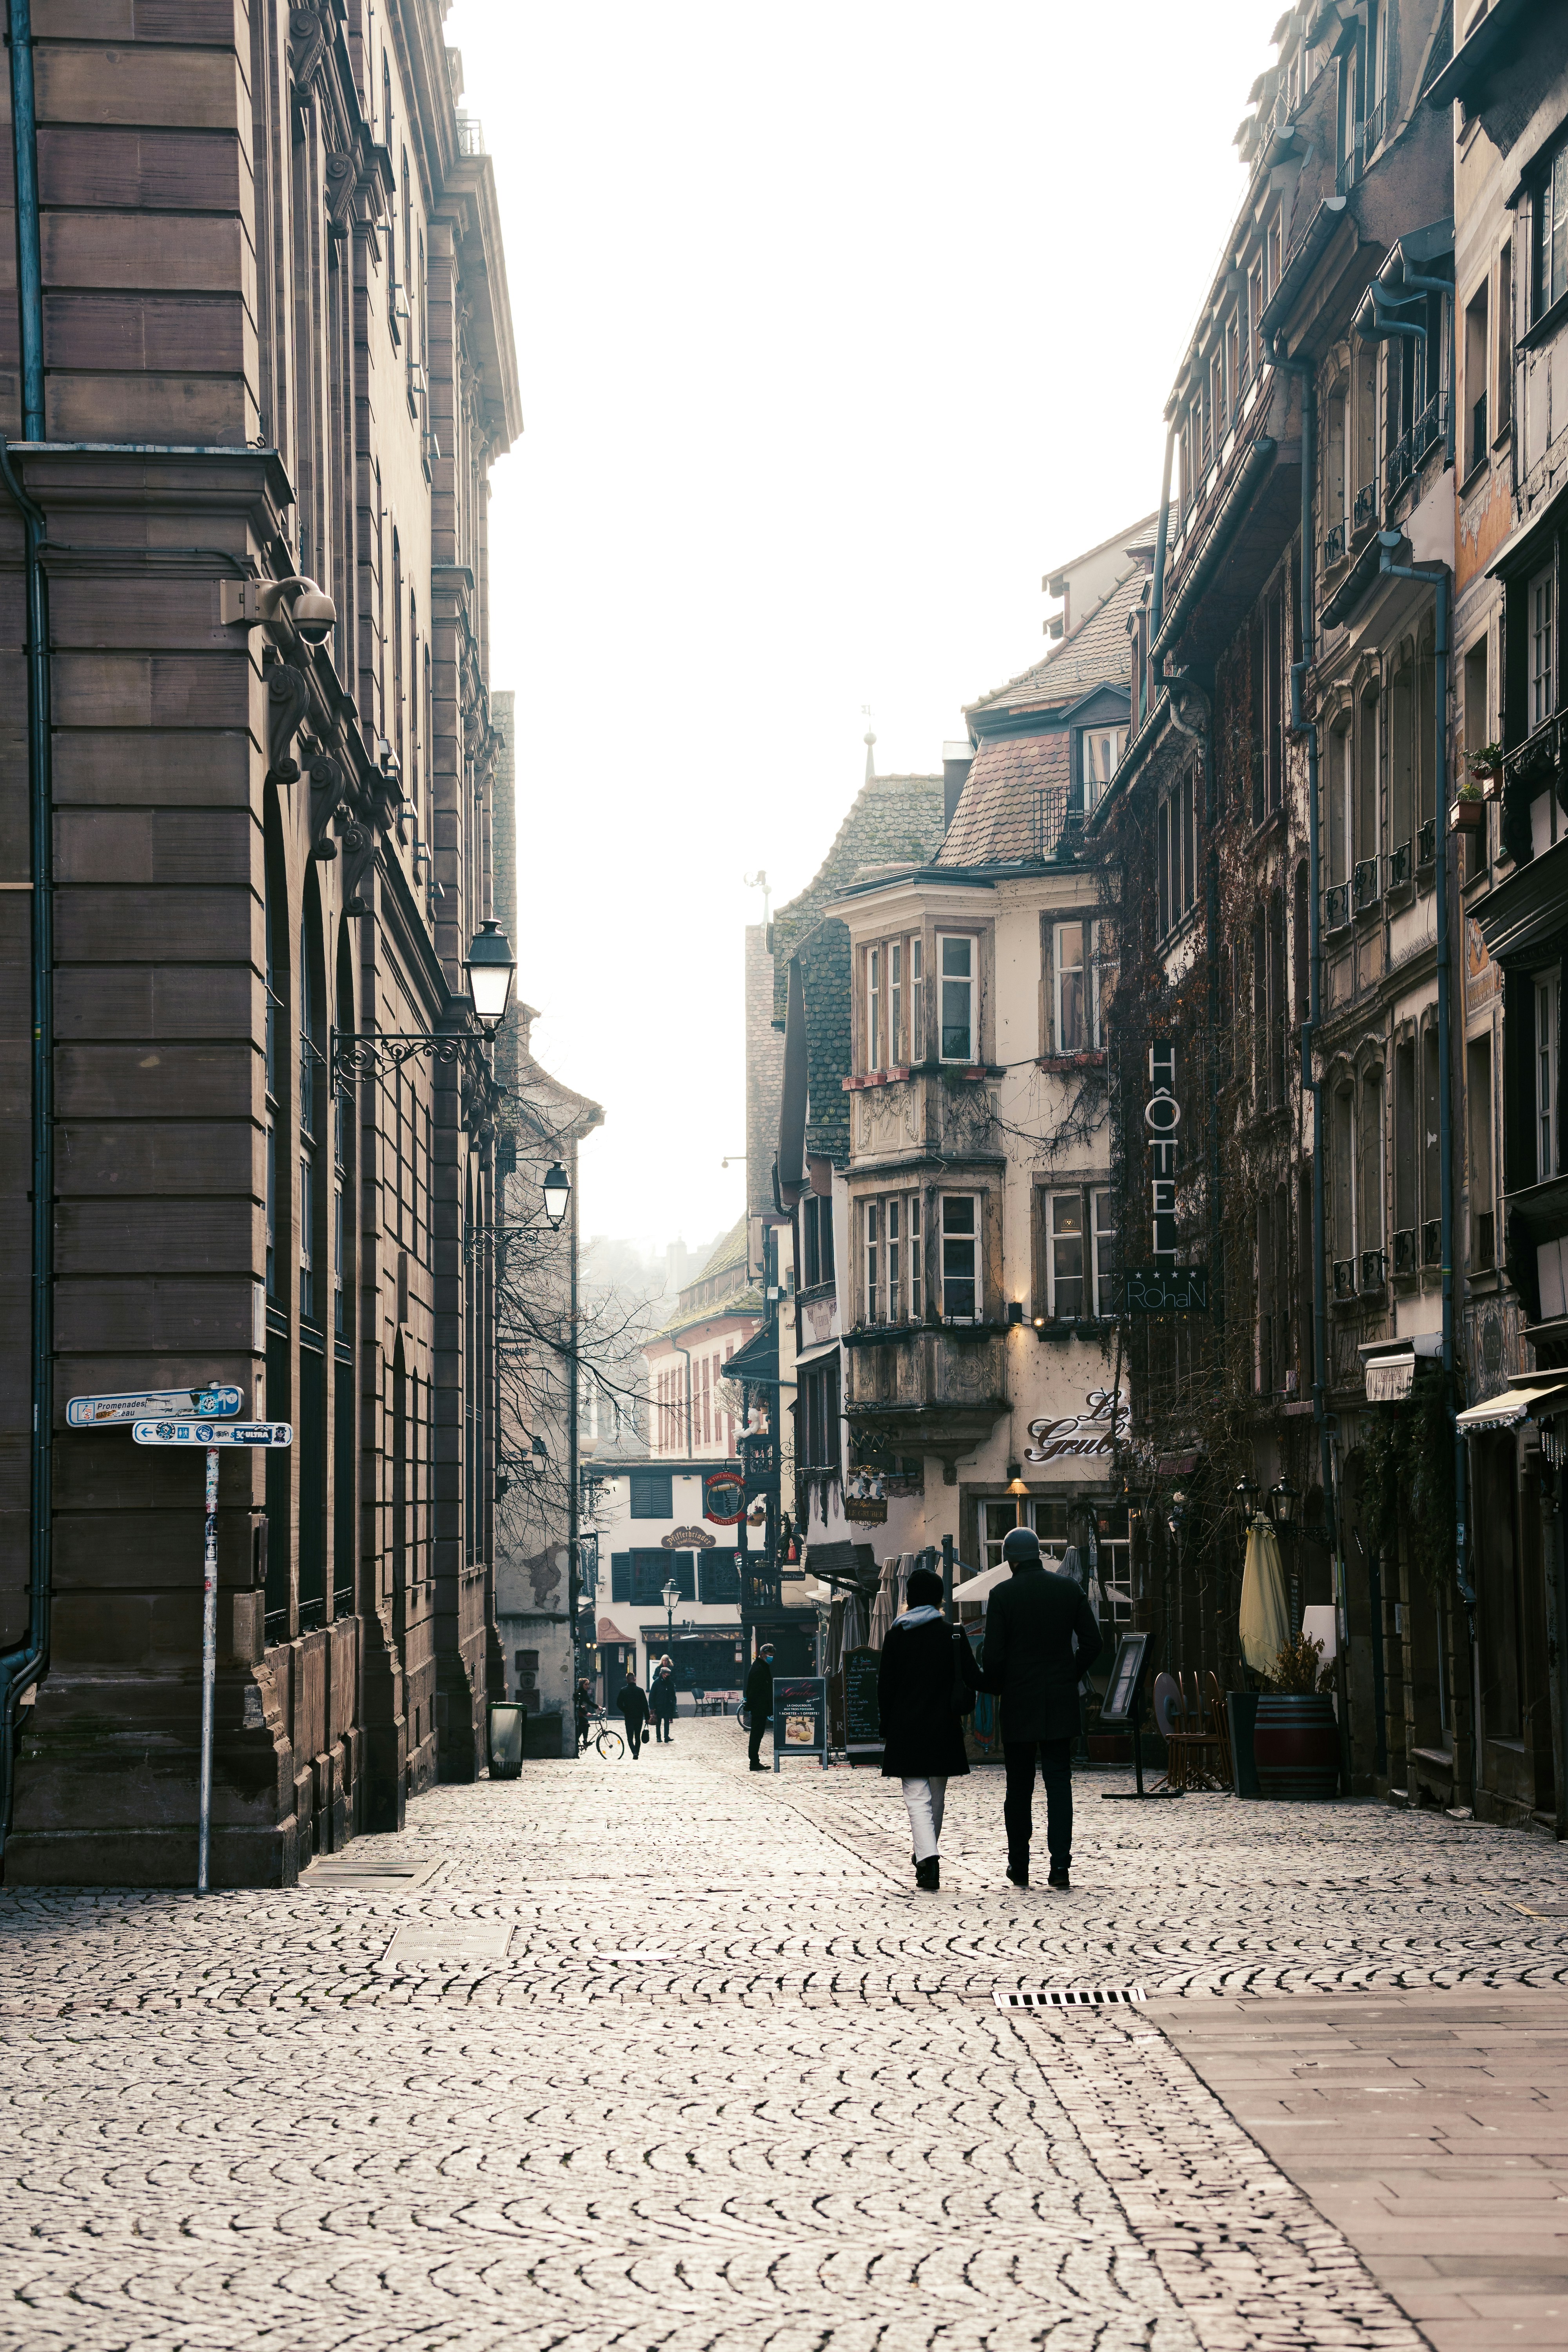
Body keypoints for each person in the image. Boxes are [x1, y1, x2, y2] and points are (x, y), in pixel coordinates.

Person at [981, 1524, 1102, 1891]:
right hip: (1060, 1702)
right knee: (1059, 1785)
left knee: (1019, 1789)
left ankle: (1019, 1866)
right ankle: (1060, 1868)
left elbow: (993, 1658)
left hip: (1019, 1702)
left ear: (1010, 1560)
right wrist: (1069, 1675)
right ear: (1037, 1555)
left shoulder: (1002, 1595)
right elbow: (1093, 1643)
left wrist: (1003, 1683)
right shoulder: (1068, 1589)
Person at [877, 1564, 981, 1891]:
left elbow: (886, 1687)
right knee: (937, 1796)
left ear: (909, 1598)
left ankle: (928, 1860)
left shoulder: (896, 1635)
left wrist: (885, 1724)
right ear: (939, 1600)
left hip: (907, 1728)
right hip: (943, 1727)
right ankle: (927, 1854)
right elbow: (974, 1678)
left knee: (916, 1797)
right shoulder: (953, 1634)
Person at [744, 1642, 774, 1771]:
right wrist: (752, 1706)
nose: (771, 1658)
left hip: (760, 1707)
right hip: (759, 1708)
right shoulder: (759, 1669)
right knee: (757, 1735)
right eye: (769, 1655)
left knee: (758, 1734)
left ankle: (755, 1762)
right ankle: (754, 1762)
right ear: (763, 1654)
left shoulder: (761, 1666)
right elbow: (754, 1690)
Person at [617, 1671, 650, 1760]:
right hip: (639, 1717)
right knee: (638, 1737)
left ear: (627, 1680)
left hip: (629, 1717)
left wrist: (625, 1710)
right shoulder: (640, 1691)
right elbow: (645, 1705)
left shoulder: (623, 1691)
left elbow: (619, 1704)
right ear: (635, 1679)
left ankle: (634, 1752)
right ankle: (637, 1753)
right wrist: (647, 1717)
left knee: (630, 1738)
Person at [649, 1660, 677, 1742]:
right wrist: (652, 1707)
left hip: (668, 1705)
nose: (668, 1675)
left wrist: (673, 1702)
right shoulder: (657, 1683)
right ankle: (659, 1737)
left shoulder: (670, 1683)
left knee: (667, 1721)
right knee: (659, 1722)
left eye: (669, 1674)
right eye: (667, 1674)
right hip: (659, 1706)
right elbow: (652, 1696)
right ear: (663, 1675)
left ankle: (666, 1737)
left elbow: (673, 1693)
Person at [573, 1678, 592, 1754]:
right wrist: (586, 1713)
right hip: (577, 1714)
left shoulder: (585, 1693)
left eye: (588, 1684)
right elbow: (579, 1706)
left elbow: (589, 1702)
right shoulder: (580, 1693)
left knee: (585, 1725)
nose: (588, 1686)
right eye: (586, 1685)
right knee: (585, 1723)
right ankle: (583, 1742)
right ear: (582, 1685)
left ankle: (584, 1741)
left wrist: (598, 1707)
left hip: (580, 1714)